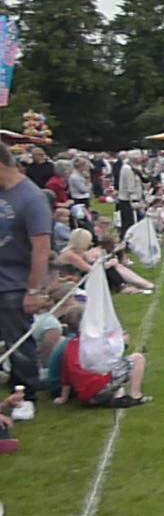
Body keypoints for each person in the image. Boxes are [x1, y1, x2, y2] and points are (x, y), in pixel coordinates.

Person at [0, 143, 52, 418]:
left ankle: (26, 395)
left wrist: (33, 289)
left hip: (14, 283)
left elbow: (41, 248)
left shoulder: (31, 197)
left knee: (18, 343)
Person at [117, 151, 145, 234]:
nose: (141, 159)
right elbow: (131, 186)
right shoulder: (128, 169)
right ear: (135, 158)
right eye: (140, 157)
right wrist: (135, 201)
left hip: (132, 199)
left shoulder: (132, 167)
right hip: (128, 200)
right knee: (130, 223)